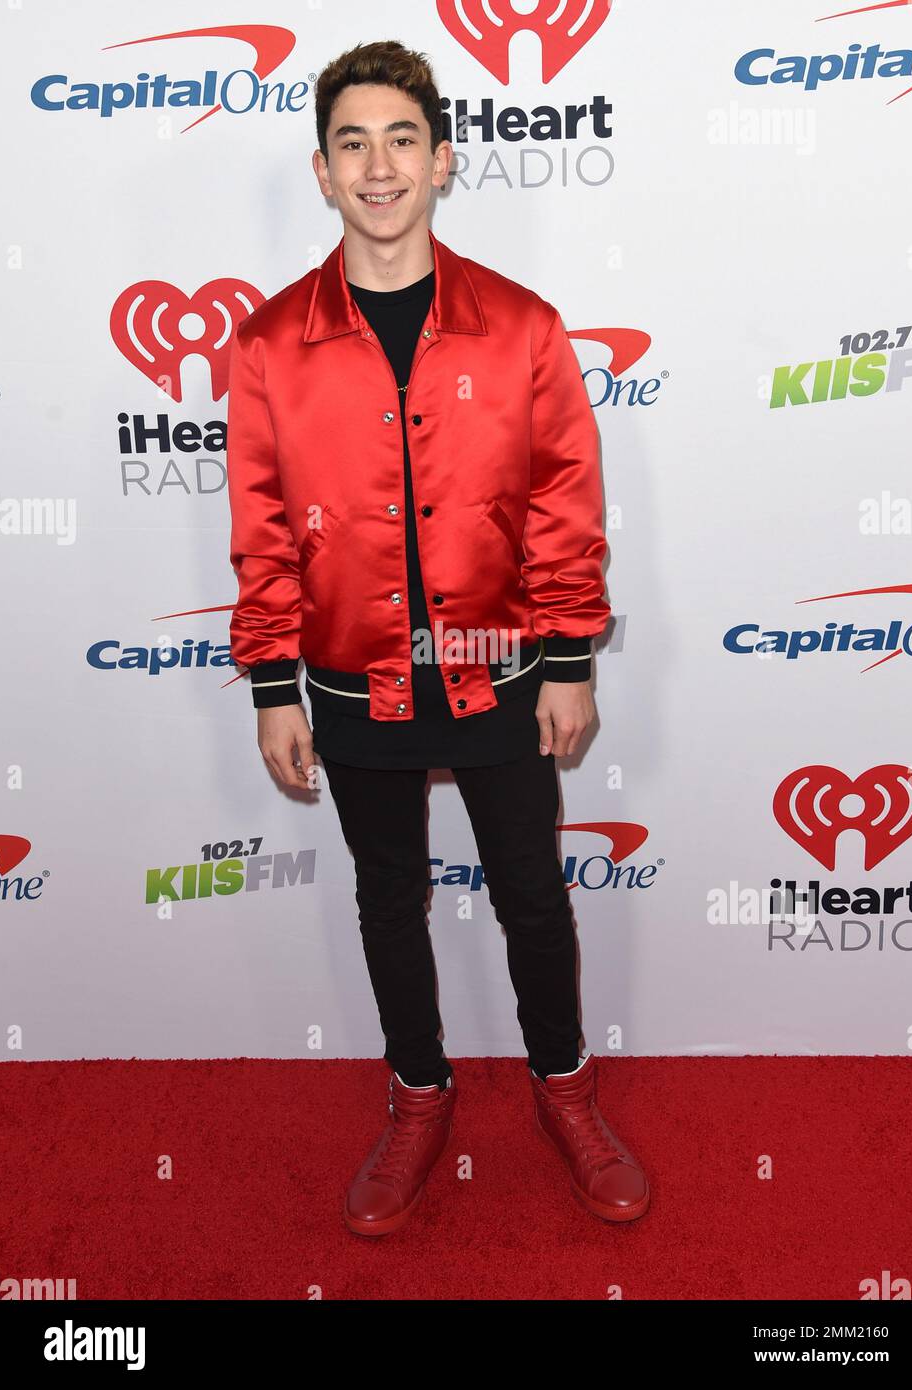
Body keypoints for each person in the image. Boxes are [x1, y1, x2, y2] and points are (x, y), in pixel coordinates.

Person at [226, 39, 649, 1235]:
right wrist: (272, 684)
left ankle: (566, 1091)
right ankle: (418, 1096)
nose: (378, 165)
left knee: (530, 893)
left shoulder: (521, 327)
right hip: (352, 682)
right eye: (352, 142)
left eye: (401, 139)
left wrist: (567, 661)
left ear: (444, 160)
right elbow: (261, 527)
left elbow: (565, 498)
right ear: (321, 170)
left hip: (504, 669)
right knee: (385, 898)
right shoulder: (266, 347)